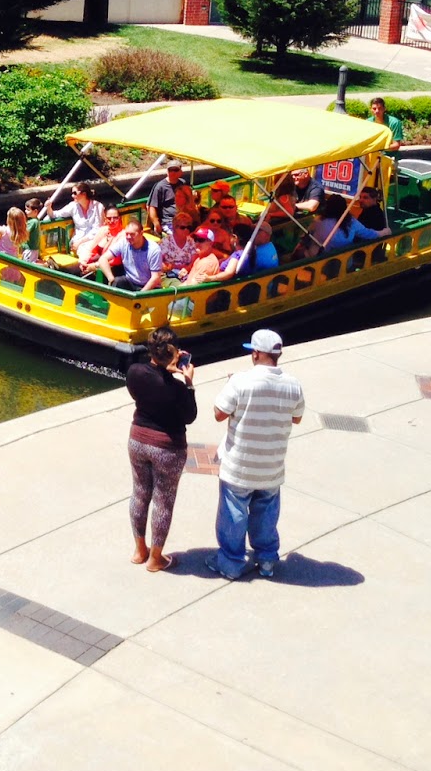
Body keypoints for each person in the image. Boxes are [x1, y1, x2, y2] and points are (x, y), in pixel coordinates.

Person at [209, 329, 305, 579]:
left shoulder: (240, 381)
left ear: (257, 353)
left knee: (234, 516)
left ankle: (230, 563)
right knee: (266, 518)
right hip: (271, 466)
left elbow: (219, 413)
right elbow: (297, 417)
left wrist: (230, 385)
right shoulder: (293, 385)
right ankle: (266, 561)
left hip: (239, 466)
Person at [125, 326, 197, 572]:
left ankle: (139, 550)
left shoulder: (134, 372)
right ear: (174, 354)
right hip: (167, 447)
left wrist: (166, 371)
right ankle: (156, 558)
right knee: (163, 502)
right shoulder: (176, 388)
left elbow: (150, 384)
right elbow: (189, 416)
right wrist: (188, 382)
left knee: (140, 493)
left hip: (138, 439)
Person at [99, 217, 164, 292]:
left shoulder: (153, 249)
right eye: (127, 234)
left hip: (150, 287)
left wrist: (140, 294)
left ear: (141, 233)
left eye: (132, 234)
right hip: (131, 282)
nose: (129, 237)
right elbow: (103, 259)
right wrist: (110, 278)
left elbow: (156, 277)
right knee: (117, 282)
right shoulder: (123, 243)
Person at [46, 181, 105, 250]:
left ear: (84, 194)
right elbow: (54, 215)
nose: (72, 196)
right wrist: (49, 207)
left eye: (75, 193)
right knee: (85, 250)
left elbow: (97, 229)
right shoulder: (72, 206)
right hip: (78, 241)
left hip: (94, 239)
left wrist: (81, 241)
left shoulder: (98, 207)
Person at [146, 160, 188, 236]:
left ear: (180, 172)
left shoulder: (183, 183)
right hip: (168, 222)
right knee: (179, 235)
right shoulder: (160, 187)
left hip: (184, 219)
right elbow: (151, 206)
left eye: (175, 170)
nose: (173, 172)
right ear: (167, 171)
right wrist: (156, 224)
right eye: (170, 170)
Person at [158, 215, 197, 280]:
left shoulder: (191, 241)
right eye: (183, 227)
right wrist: (166, 267)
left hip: (187, 273)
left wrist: (186, 269)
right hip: (169, 275)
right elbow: (158, 260)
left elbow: (194, 261)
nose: (186, 230)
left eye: (188, 227)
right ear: (175, 227)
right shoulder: (166, 242)